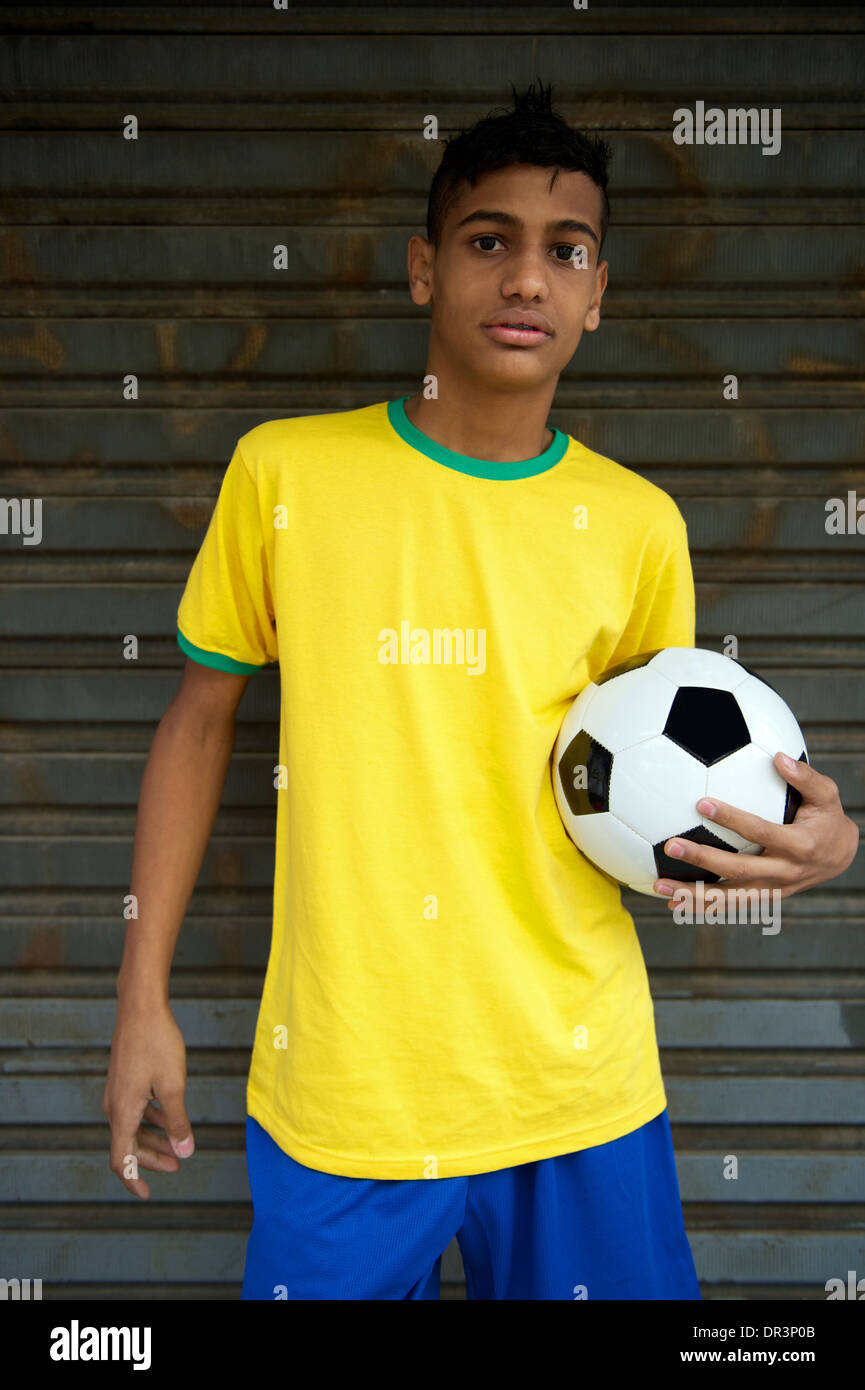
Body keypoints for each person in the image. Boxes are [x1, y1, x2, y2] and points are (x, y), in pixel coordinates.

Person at [103, 82, 859, 1301]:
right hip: (346, 1089)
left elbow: (680, 811)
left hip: (576, 1087)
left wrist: (816, 844)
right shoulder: (286, 473)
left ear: (598, 295)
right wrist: (141, 1001)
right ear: (422, 270)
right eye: (487, 241)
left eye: (565, 252)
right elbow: (196, 725)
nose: (525, 280)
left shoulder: (636, 526)